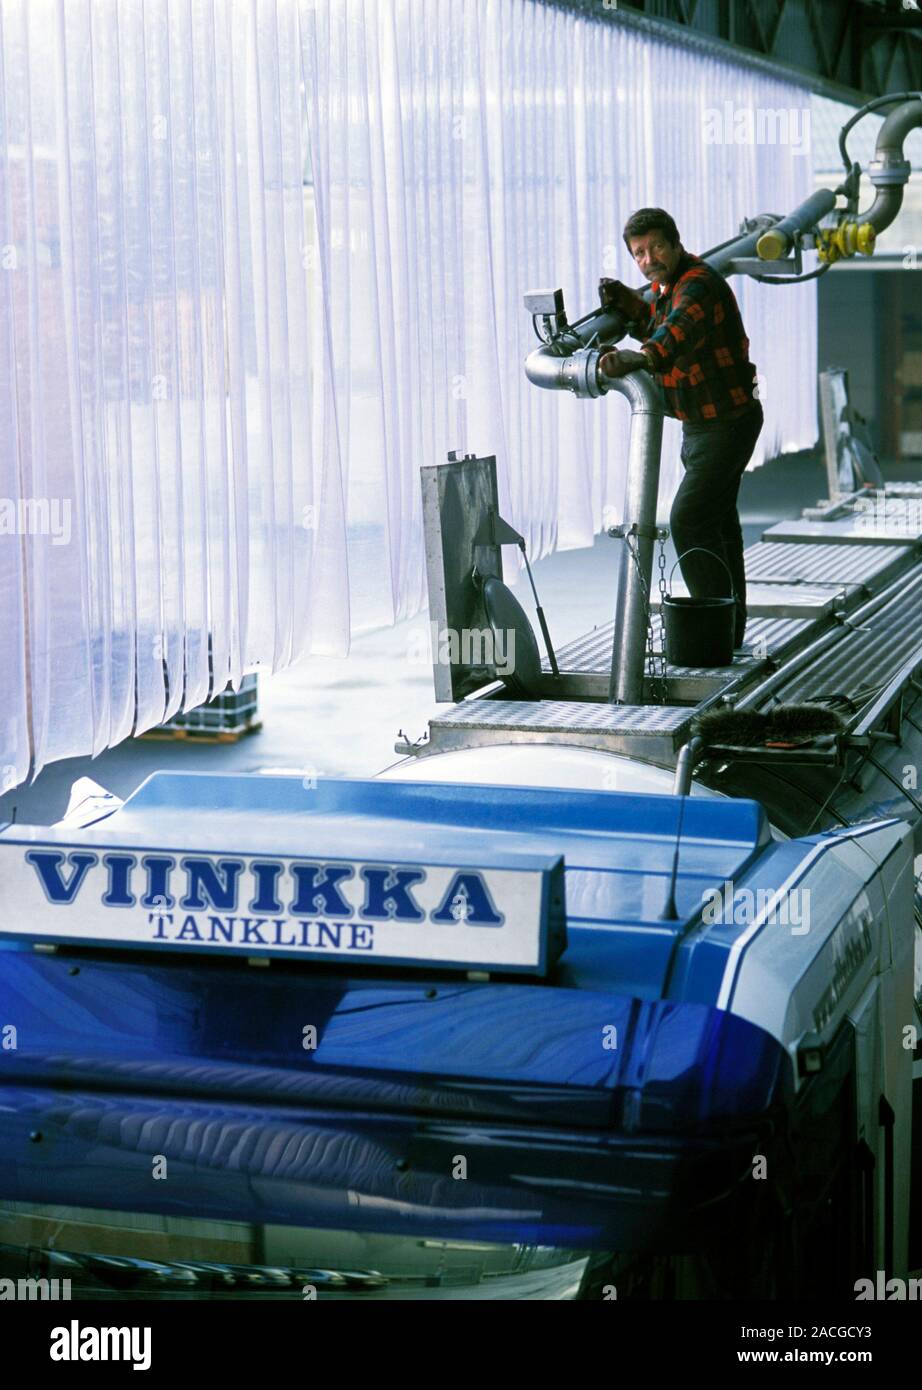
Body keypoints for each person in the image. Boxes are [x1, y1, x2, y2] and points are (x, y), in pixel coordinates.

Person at [597, 207, 763, 650]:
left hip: (725, 425)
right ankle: (730, 631)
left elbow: (671, 336)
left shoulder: (698, 284)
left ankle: (712, 634)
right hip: (705, 426)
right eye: (638, 253)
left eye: (654, 248)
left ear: (674, 243)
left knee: (688, 519)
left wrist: (634, 358)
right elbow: (657, 321)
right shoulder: (667, 286)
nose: (647, 259)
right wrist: (631, 309)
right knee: (719, 525)